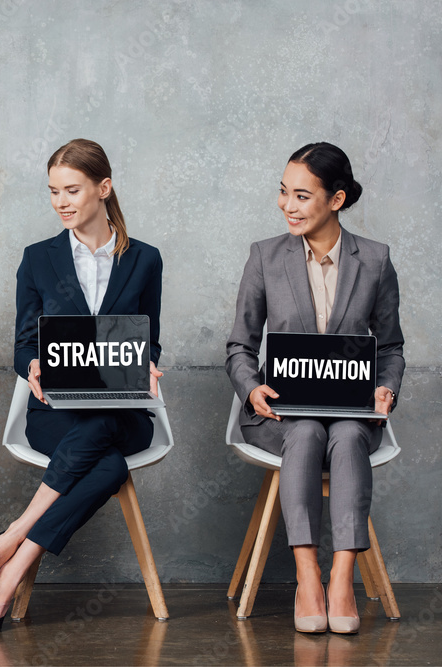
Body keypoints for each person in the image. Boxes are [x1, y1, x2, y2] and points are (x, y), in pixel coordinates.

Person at [0, 139, 164, 633]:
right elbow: (23, 344)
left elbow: (150, 340)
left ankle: (12, 540)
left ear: (104, 187)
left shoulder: (144, 259)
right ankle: (10, 570)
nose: (61, 202)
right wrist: (31, 365)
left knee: (104, 422)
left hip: (124, 411)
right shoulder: (38, 259)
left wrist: (149, 367)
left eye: (72, 190)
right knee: (109, 464)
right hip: (57, 413)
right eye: (53, 192)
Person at [226, 142, 404, 634]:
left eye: (302, 196)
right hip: (282, 411)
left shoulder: (374, 259)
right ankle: (308, 576)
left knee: (346, 435)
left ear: (336, 199)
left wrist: (385, 389)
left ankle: (341, 578)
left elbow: (390, 348)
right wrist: (251, 389)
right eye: (283, 193)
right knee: (305, 432)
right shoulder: (264, 256)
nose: (288, 205)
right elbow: (240, 345)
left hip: (351, 408)